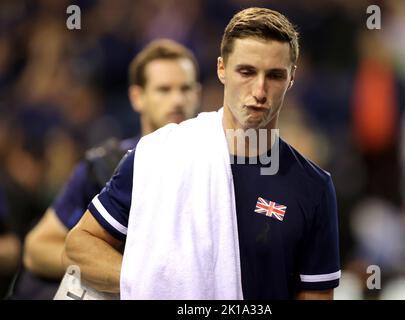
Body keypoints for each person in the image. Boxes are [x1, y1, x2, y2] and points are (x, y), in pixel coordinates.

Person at [63, 7, 341, 300]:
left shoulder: (313, 187)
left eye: (274, 75)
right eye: (246, 72)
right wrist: (153, 285)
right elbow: (79, 246)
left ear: (292, 77)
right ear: (221, 68)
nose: (259, 90)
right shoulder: (157, 155)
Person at [10, 39, 201, 299]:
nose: (177, 100)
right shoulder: (106, 165)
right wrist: (116, 271)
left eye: (185, 89)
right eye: (164, 90)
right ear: (137, 97)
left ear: (198, 94)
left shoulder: (215, 165)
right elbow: (37, 249)